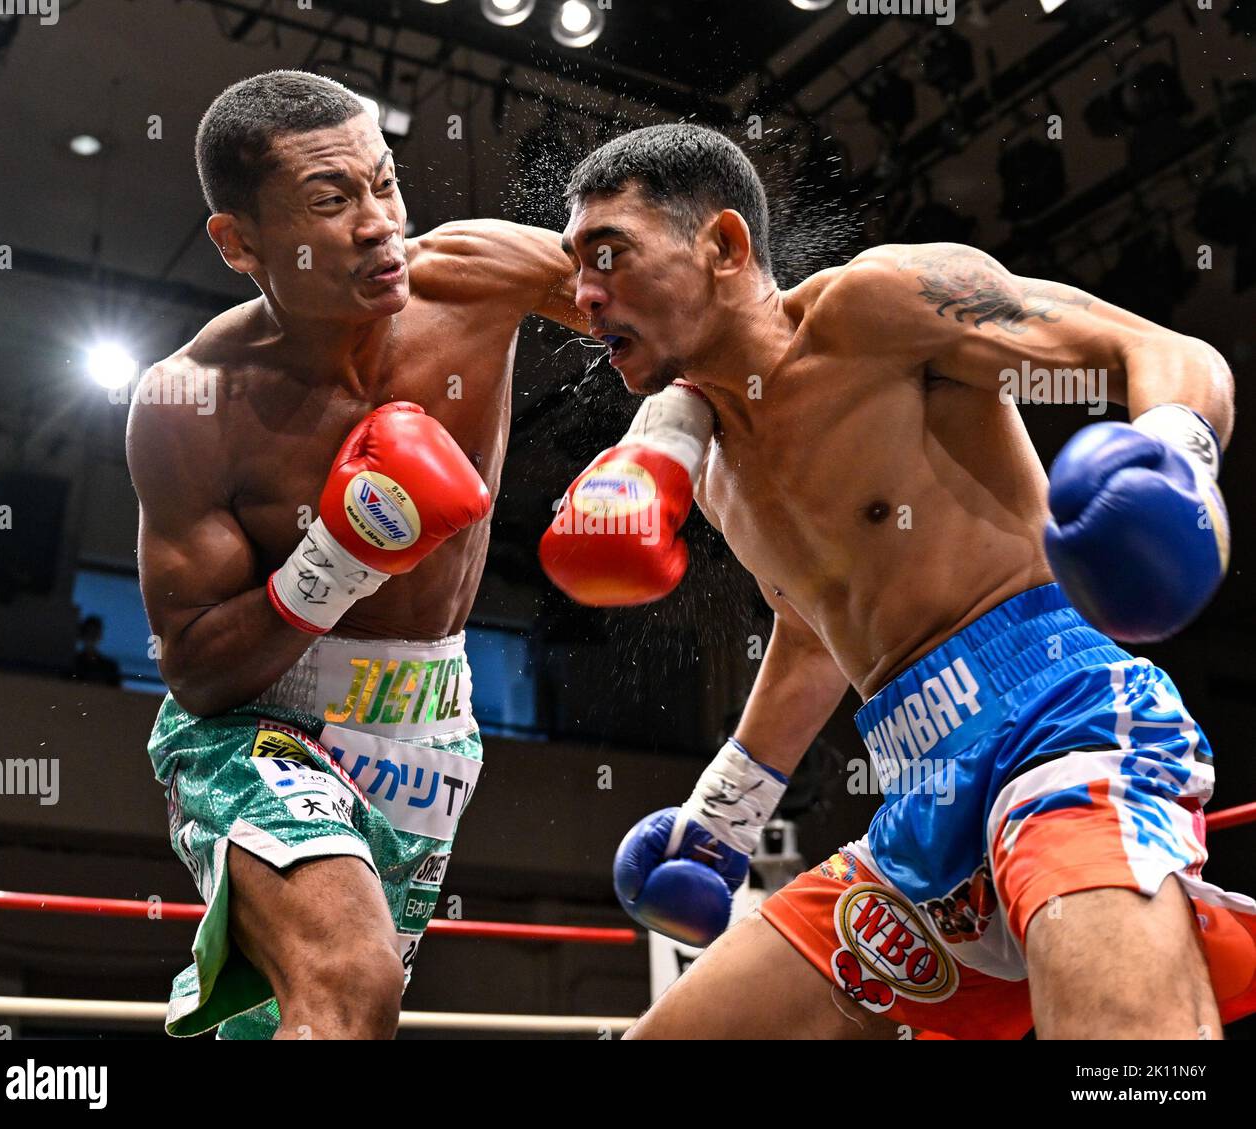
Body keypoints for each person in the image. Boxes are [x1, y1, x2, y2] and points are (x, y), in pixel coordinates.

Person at [541, 123, 1256, 1038]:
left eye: (610, 254)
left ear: (723, 245)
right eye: (574, 266)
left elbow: (1162, 351)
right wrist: (725, 812)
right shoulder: (714, 476)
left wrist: (1174, 467)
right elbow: (811, 636)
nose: (584, 296)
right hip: (921, 797)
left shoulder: (874, 311)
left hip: (1062, 722)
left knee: (1123, 1050)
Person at [129, 69, 591, 1039]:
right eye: (332, 200)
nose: (379, 222)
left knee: (292, 1017)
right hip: (259, 720)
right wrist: (332, 558)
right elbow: (197, 670)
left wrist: (660, 450)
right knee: (351, 976)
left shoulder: (478, 277)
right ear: (237, 240)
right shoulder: (192, 404)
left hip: (427, 723)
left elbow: (684, 325)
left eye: (384, 183)